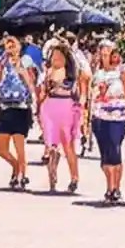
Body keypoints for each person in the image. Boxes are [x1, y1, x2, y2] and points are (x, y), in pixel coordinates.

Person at [89, 41, 125, 203]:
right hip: (99, 117)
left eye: (108, 53)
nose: (105, 56)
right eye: (102, 53)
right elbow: (92, 95)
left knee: (114, 150)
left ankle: (114, 188)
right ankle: (110, 185)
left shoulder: (123, 72)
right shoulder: (97, 74)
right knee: (104, 154)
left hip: (117, 117)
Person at [0, 35, 37, 189]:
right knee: (1, 149)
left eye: (13, 45)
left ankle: (23, 174)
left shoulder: (26, 60)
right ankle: (15, 165)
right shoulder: (2, 62)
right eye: (7, 46)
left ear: (18, 46)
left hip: (21, 107)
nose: (10, 49)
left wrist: (22, 73)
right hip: (5, 107)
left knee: (19, 146)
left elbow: (32, 82)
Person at [36, 42, 82, 192]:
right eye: (53, 56)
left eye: (59, 56)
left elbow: (79, 93)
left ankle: (74, 177)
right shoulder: (47, 73)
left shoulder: (72, 74)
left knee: (68, 145)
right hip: (50, 107)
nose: (56, 58)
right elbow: (42, 92)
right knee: (51, 145)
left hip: (66, 107)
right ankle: (52, 173)